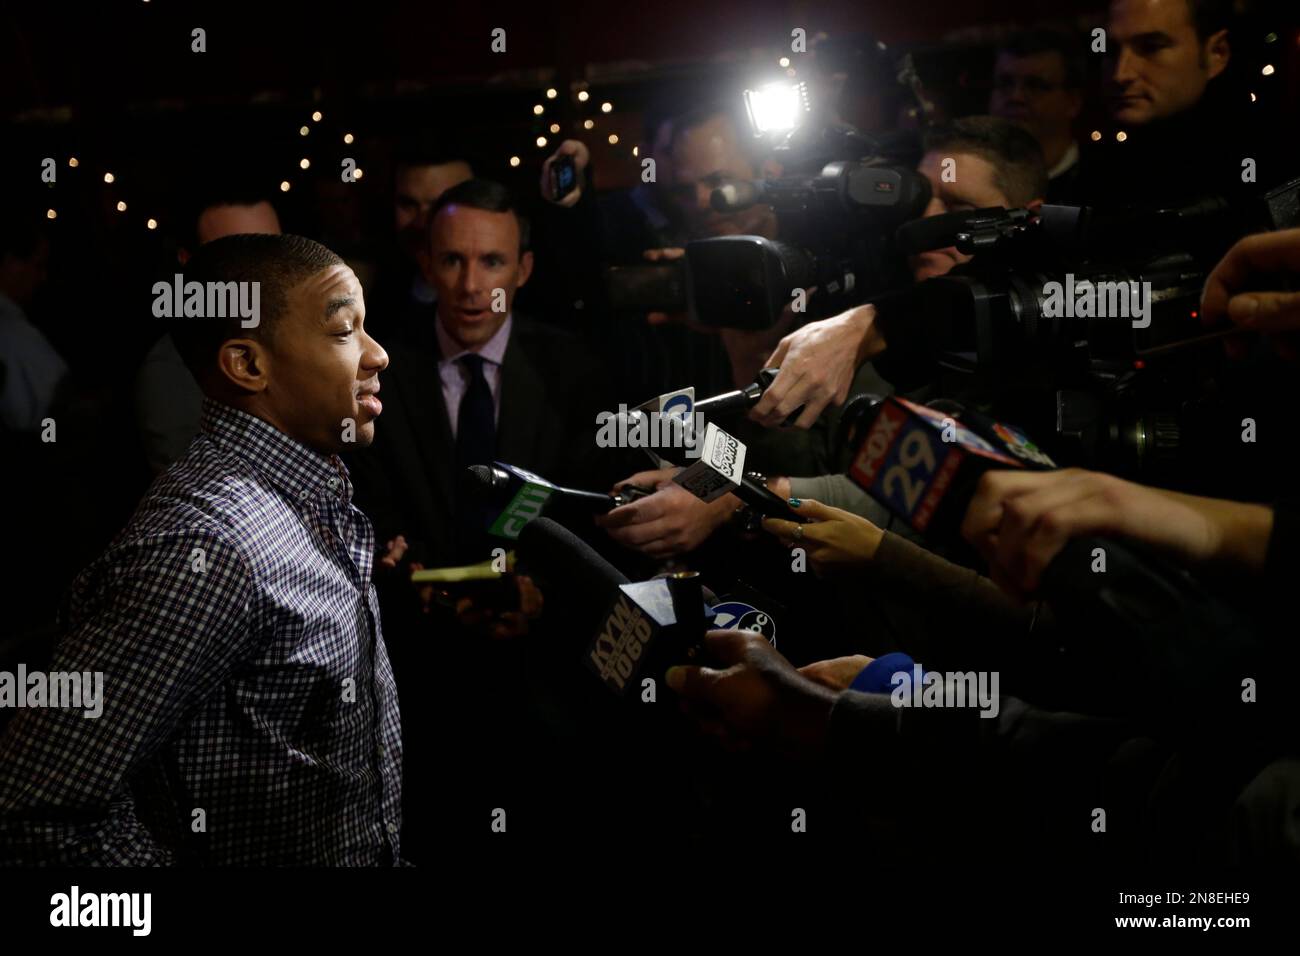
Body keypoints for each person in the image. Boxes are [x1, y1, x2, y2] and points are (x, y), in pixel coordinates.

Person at [0, 234, 404, 865]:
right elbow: (37, 813)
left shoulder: (308, 499)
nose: (377, 354)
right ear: (247, 365)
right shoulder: (207, 550)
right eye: (343, 331)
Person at [599, 117, 1049, 557]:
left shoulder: (1039, 337)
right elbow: (797, 460)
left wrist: (732, 499)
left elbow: (920, 498)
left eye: (956, 209)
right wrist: (704, 480)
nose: (925, 224)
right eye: (921, 203)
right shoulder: (863, 306)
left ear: (1026, 219)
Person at [134, 188, 282, 473]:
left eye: (277, 253)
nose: (268, 275)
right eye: (240, 259)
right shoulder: (172, 372)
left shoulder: (304, 338)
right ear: (188, 262)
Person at [365, 142, 473, 350]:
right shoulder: (375, 294)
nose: (422, 223)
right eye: (408, 204)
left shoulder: (513, 298)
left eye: (439, 205)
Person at [988, 28, 1085, 203]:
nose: (1015, 97)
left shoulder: (1110, 186)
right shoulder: (978, 182)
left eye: (1035, 85)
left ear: (1073, 102)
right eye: (1005, 84)